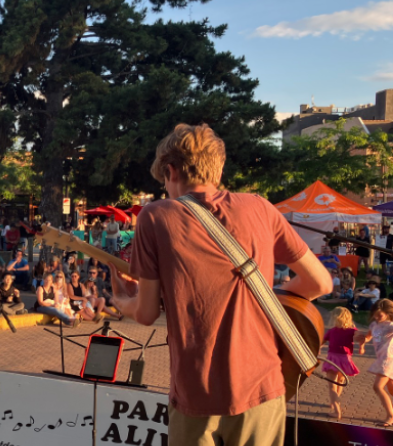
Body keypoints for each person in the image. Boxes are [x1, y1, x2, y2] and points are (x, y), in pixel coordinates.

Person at [109, 123, 330, 444]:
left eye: (164, 183)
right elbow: (320, 283)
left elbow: (146, 313)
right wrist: (266, 300)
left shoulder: (156, 216)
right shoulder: (260, 207)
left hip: (197, 394)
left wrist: (122, 301)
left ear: (171, 171)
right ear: (219, 167)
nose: (167, 192)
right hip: (264, 390)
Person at [357, 299, 393, 426]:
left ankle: (390, 416)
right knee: (391, 389)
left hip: (388, 360)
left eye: (380, 315)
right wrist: (363, 342)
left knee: (377, 387)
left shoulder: (390, 326)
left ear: (388, 313)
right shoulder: (373, 325)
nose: (377, 317)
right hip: (380, 359)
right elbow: (368, 337)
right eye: (375, 315)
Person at [322, 307, 360, 420]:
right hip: (345, 360)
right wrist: (362, 344)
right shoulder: (352, 331)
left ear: (336, 318)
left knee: (332, 386)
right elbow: (359, 336)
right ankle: (335, 402)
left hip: (332, 360)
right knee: (340, 383)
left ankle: (336, 411)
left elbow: (322, 341)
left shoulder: (332, 331)